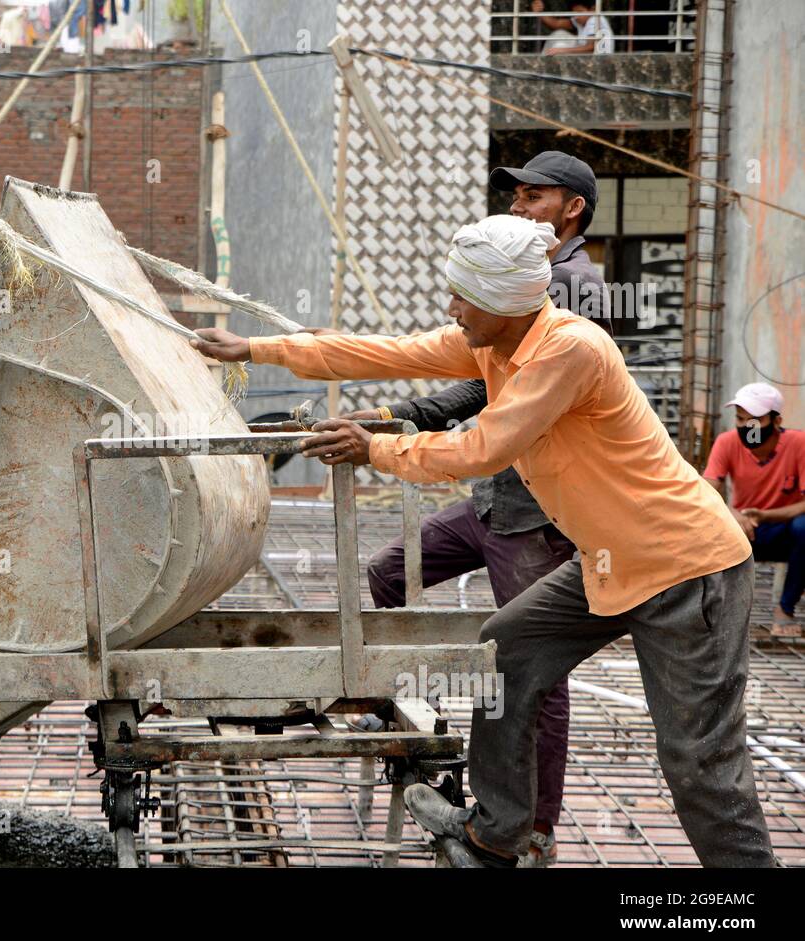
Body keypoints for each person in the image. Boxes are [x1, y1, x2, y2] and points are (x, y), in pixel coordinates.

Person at [190, 214, 775, 868]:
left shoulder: (569, 350)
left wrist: (375, 446)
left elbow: (483, 446)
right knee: (505, 651)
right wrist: (255, 349)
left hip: (686, 568)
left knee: (697, 762)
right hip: (611, 562)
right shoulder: (496, 343)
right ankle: (496, 834)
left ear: (503, 301)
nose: (451, 307)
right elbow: (387, 350)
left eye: (463, 296)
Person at [331, 151, 609, 866]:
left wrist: (405, 421)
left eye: (535, 197)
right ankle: (406, 707)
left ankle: (534, 825)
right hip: (493, 498)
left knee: (534, 670)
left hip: (535, 513)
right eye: (515, 196)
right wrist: (399, 409)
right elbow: (459, 362)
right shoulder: (525, 279)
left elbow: (487, 394)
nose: (520, 206)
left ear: (572, 208)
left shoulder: (571, 287)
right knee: (392, 574)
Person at [704, 382, 805, 638]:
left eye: (755, 420)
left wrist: (765, 515)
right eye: (740, 419)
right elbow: (707, 490)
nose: (746, 427)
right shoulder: (727, 442)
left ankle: (785, 609)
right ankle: (706, 614)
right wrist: (734, 515)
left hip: (785, 532)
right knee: (698, 524)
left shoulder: (799, 444)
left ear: (776, 419)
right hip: (744, 531)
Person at [532, 0, 615, 55]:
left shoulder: (595, 19)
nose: (577, 16)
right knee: (558, 34)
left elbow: (592, 48)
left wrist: (561, 50)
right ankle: (542, 60)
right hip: (586, 56)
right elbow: (556, 24)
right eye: (574, 13)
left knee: (560, 45)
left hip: (598, 59)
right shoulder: (580, 20)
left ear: (593, 9)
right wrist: (539, 12)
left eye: (580, 12)